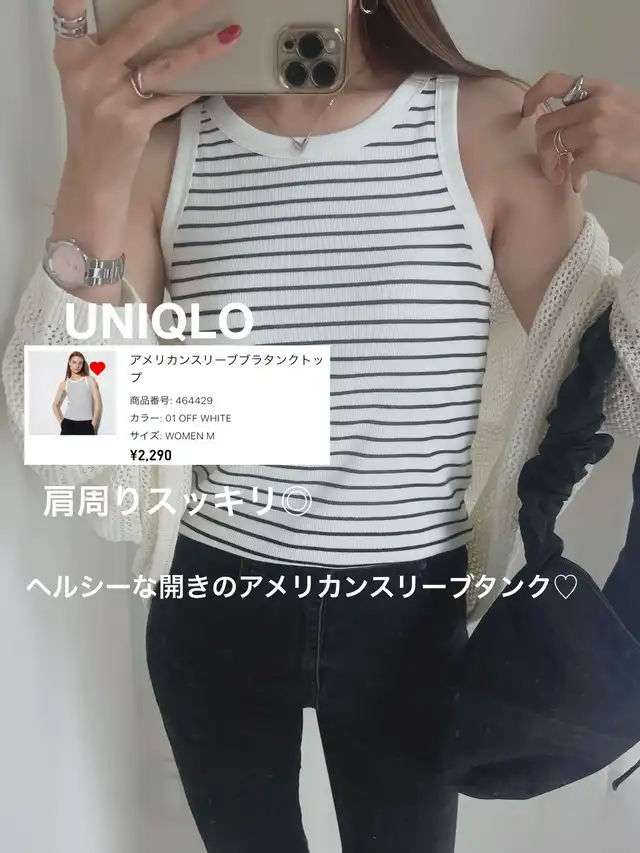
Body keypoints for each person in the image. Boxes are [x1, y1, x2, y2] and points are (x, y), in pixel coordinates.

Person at [2, 1, 640, 851]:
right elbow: (74, 441)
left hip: (408, 615)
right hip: (216, 604)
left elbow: (614, 394)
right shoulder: (161, 145)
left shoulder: (489, 125)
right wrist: (92, 161)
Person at [53, 350, 101, 434]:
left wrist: (94, 422)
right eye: (74, 362)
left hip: (86, 424)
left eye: (80, 363)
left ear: (83, 364)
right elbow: (55, 405)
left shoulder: (89, 380)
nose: (77, 366)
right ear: (69, 363)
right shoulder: (64, 384)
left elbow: (97, 401)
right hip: (68, 424)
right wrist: (62, 423)